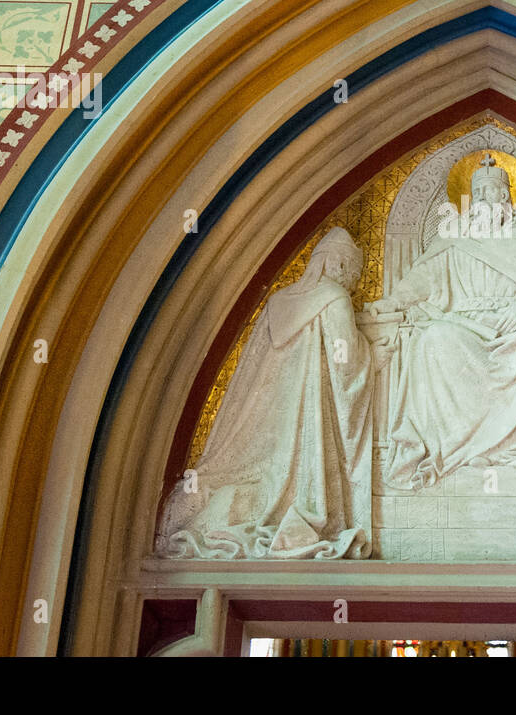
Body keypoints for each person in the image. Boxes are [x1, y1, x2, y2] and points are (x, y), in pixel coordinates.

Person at [366, 154, 516, 488]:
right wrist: (392, 302)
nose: (486, 199)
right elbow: (422, 280)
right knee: (434, 339)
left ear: (506, 197)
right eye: (479, 193)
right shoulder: (456, 238)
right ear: (469, 201)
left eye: (494, 192)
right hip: (465, 326)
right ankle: (466, 444)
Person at [157, 228, 377, 559]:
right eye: (353, 272)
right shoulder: (335, 299)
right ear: (340, 265)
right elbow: (345, 363)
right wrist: (375, 353)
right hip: (307, 437)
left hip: (268, 438)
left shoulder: (279, 301)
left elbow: (251, 373)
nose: (354, 282)